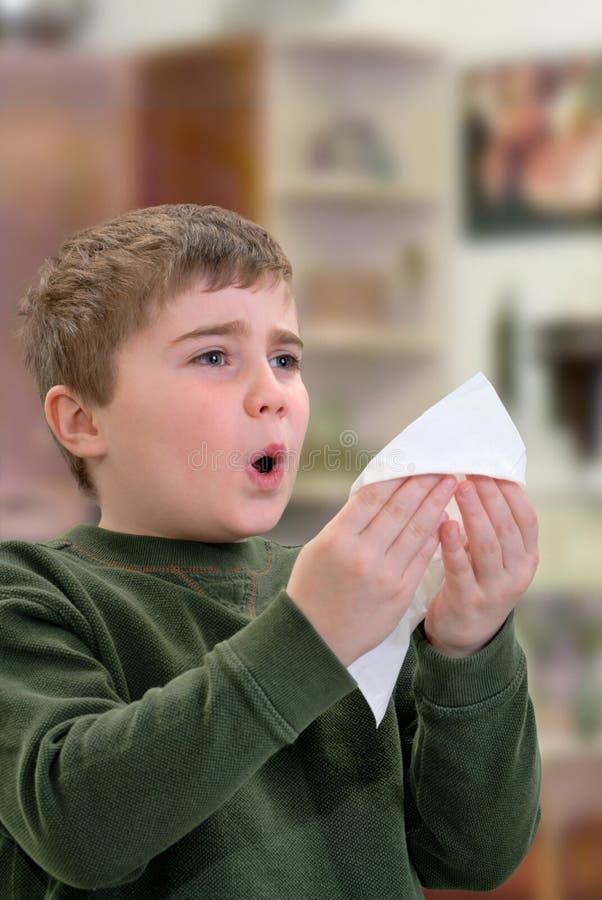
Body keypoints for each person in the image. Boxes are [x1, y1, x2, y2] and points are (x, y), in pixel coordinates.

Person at [0, 204, 541, 898]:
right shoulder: (30, 594)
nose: (273, 394)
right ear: (82, 420)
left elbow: (474, 856)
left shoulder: (355, 595)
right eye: (213, 356)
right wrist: (310, 635)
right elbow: (79, 827)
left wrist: (469, 648)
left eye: (285, 359)